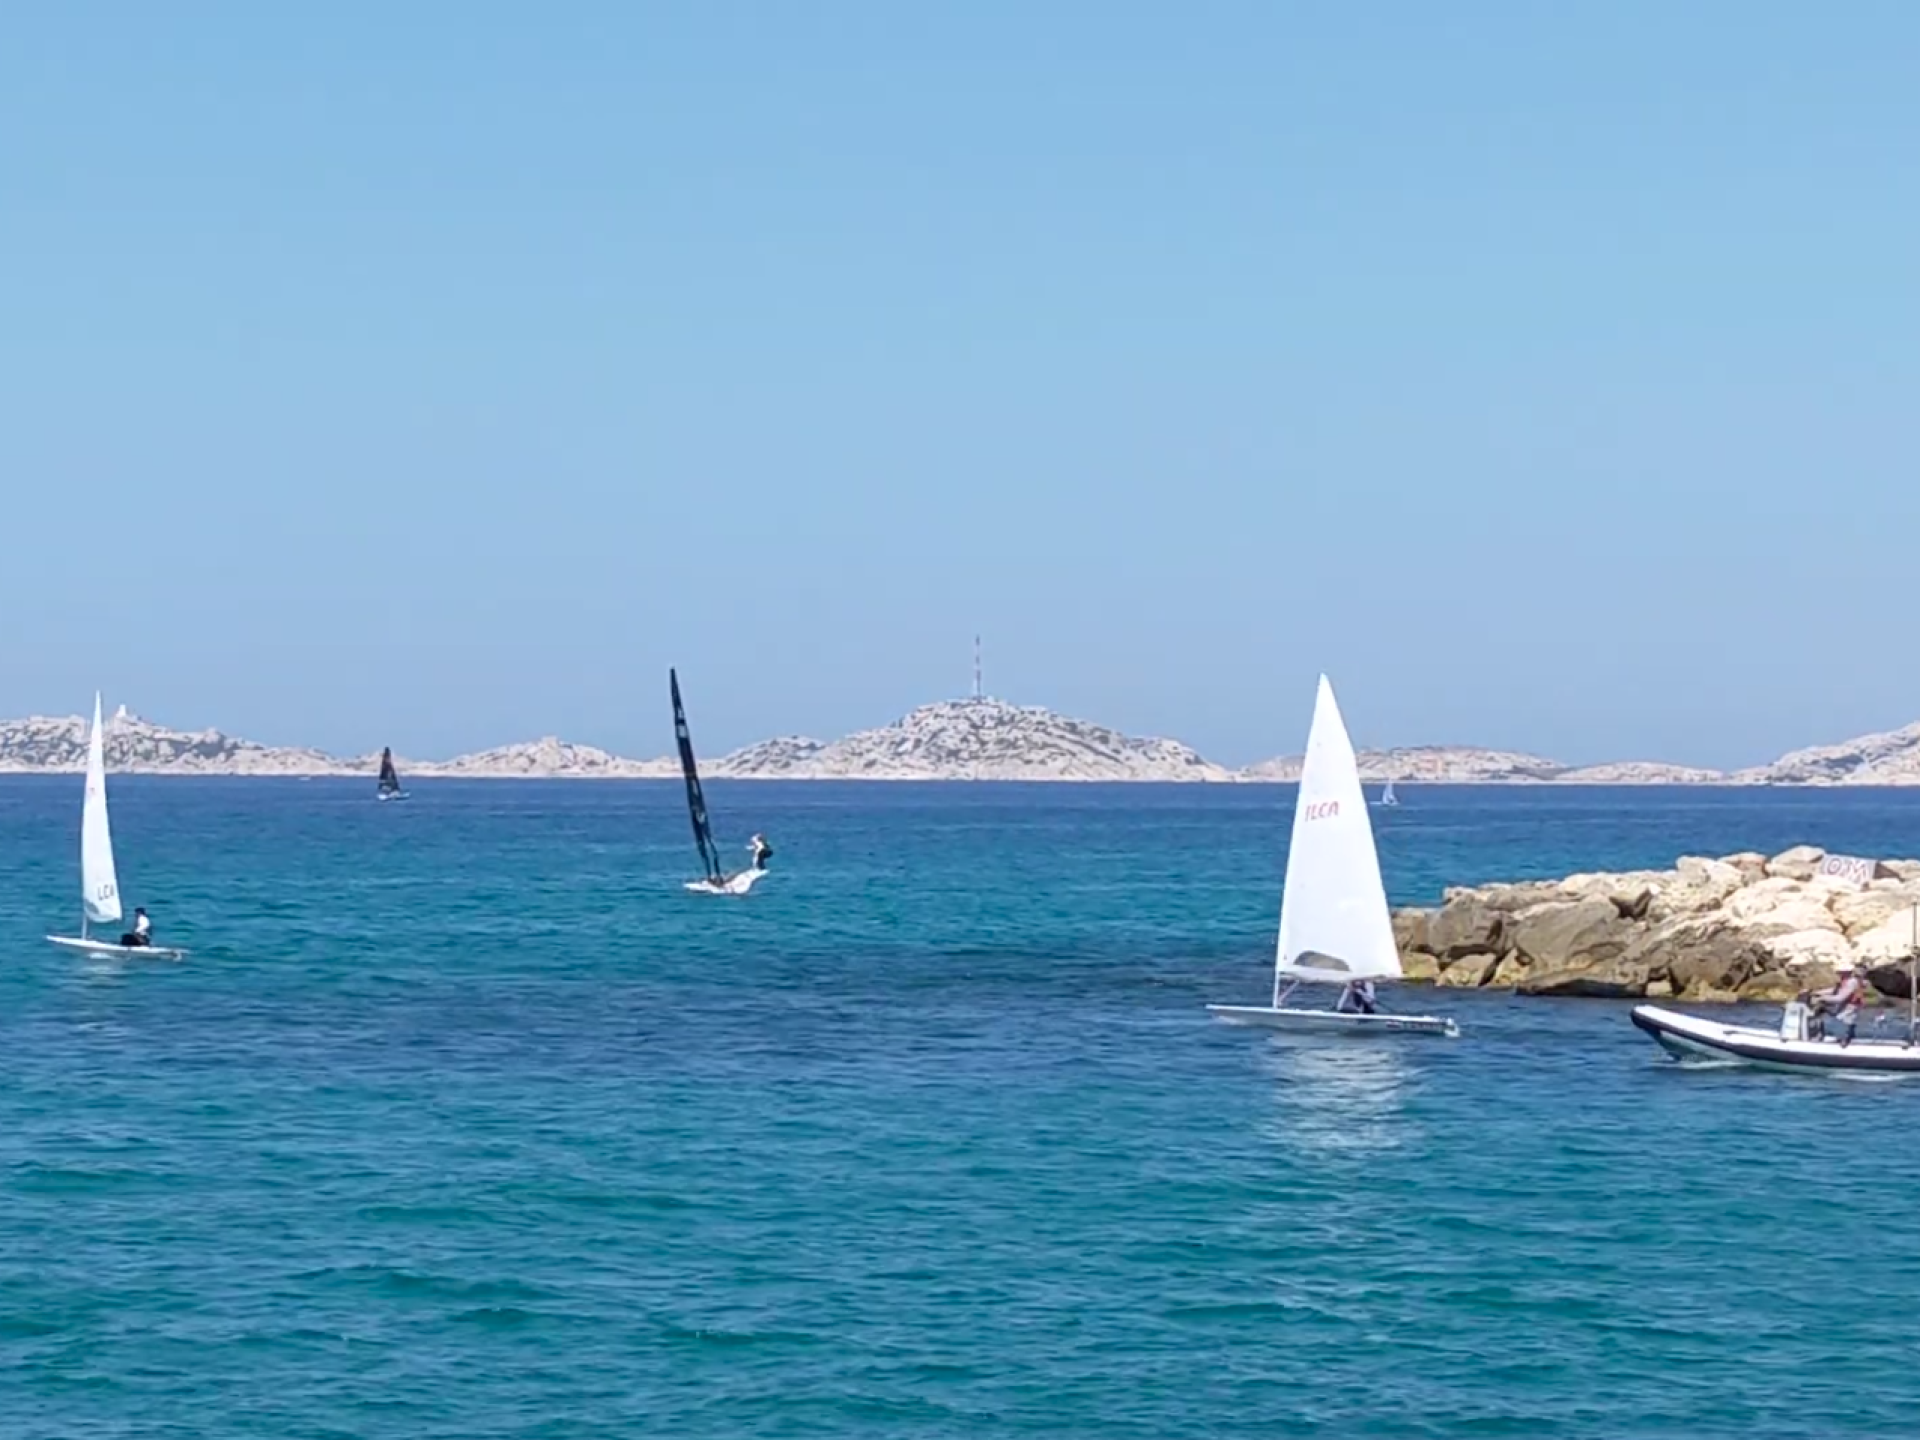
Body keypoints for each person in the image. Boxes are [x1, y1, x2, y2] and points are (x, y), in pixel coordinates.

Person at [1812, 961, 1866, 1045]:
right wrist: (1816, 992)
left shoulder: (1851, 982)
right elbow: (1835, 990)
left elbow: (1840, 998)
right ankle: (1822, 1035)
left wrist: (1821, 998)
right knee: (1822, 1010)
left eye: (1840, 972)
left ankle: (1844, 1041)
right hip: (1846, 1006)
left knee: (1840, 1021)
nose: (1838, 974)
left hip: (1850, 1007)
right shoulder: (1846, 980)